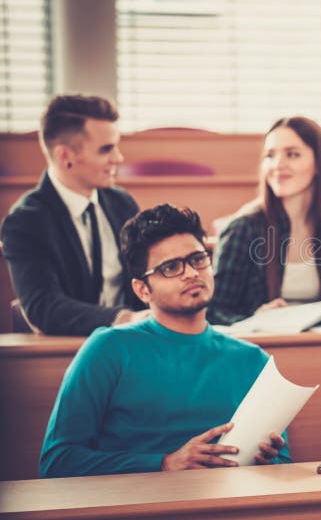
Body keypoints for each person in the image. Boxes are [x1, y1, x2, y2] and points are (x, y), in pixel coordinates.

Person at [39, 204, 291, 478]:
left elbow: (283, 464)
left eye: (198, 259)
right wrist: (164, 463)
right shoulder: (107, 350)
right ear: (142, 290)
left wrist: (268, 462)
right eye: (171, 267)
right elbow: (57, 461)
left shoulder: (253, 360)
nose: (192, 273)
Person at [1, 95, 147, 335]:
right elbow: (43, 307)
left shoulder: (123, 204)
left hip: (134, 346)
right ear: (65, 155)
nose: (118, 158)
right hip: (69, 351)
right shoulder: (25, 222)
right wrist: (124, 318)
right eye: (106, 149)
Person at [208, 116, 321, 325]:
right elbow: (214, 312)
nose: (277, 165)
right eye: (269, 156)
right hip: (260, 346)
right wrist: (254, 319)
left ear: (319, 164)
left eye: (292, 154)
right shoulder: (243, 228)